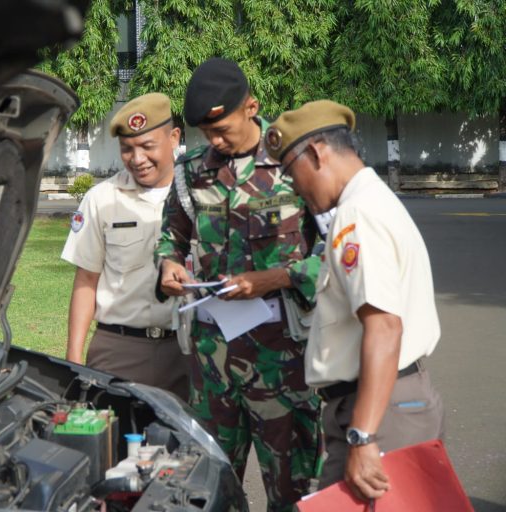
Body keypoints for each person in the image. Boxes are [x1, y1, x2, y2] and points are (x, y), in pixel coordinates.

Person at [155, 58, 322, 511]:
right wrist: (169, 265)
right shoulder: (191, 171)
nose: (214, 141)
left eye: (222, 129)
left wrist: (278, 277)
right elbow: (171, 236)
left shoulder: (295, 165)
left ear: (252, 106)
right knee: (208, 485)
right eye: (206, 134)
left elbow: (336, 252)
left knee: (292, 489)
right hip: (213, 366)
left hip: (283, 360)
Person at [265, 100, 444, 502]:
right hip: (388, 402)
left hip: (377, 411)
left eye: (292, 172)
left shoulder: (356, 215)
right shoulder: (374, 199)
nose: (293, 186)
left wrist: (363, 436)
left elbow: (384, 326)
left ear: (316, 153)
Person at [61, 92, 190, 401]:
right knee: (112, 444)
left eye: (147, 146)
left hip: (190, 349)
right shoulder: (102, 199)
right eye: (127, 149)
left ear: (173, 138)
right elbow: (86, 280)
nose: (137, 158)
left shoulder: (200, 195)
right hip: (120, 348)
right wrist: (73, 356)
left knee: (190, 446)